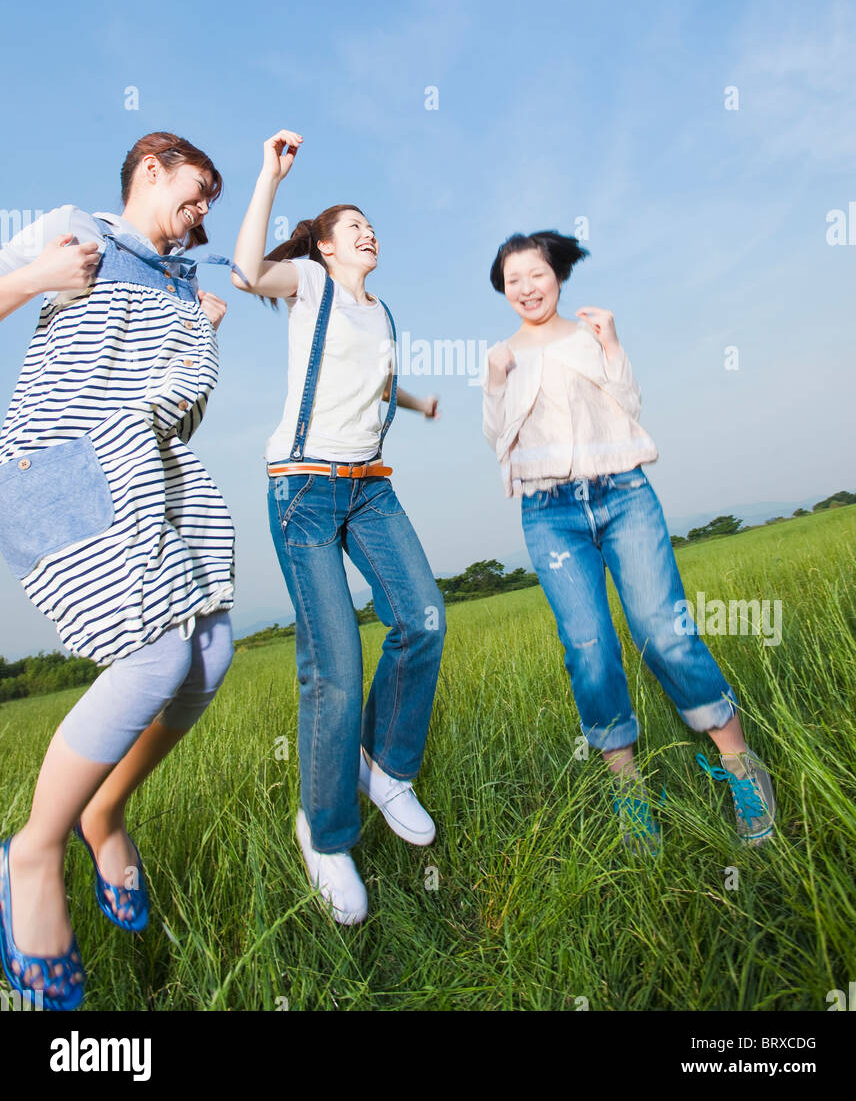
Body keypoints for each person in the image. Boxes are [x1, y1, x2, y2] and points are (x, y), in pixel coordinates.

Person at [0, 133, 237, 1010]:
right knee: (154, 660)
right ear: (150, 166)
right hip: (57, 473)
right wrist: (36, 280)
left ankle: (103, 812)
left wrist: (200, 341)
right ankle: (31, 853)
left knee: (210, 653)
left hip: (139, 478)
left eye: (215, 195)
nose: (205, 206)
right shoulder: (74, 230)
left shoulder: (188, 295)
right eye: (198, 186)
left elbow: (172, 420)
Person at [481, 229, 775, 853]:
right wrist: (497, 382)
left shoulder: (591, 334)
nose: (526, 288)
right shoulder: (502, 355)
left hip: (622, 494)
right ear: (503, 291)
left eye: (535, 274)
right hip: (549, 511)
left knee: (663, 632)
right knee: (588, 647)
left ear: (556, 274)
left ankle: (741, 767)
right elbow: (500, 441)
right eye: (513, 281)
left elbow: (629, 405)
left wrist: (611, 345)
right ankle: (630, 791)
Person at [231, 130, 445, 925]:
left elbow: (373, 391)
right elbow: (248, 270)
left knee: (423, 618)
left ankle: (384, 766)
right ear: (323, 245)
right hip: (305, 491)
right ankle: (324, 835)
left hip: (370, 489)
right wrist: (268, 175)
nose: (367, 229)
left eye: (370, 222)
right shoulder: (310, 287)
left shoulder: (382, 310)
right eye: (351, 223)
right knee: (335, 665)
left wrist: (417, 404)